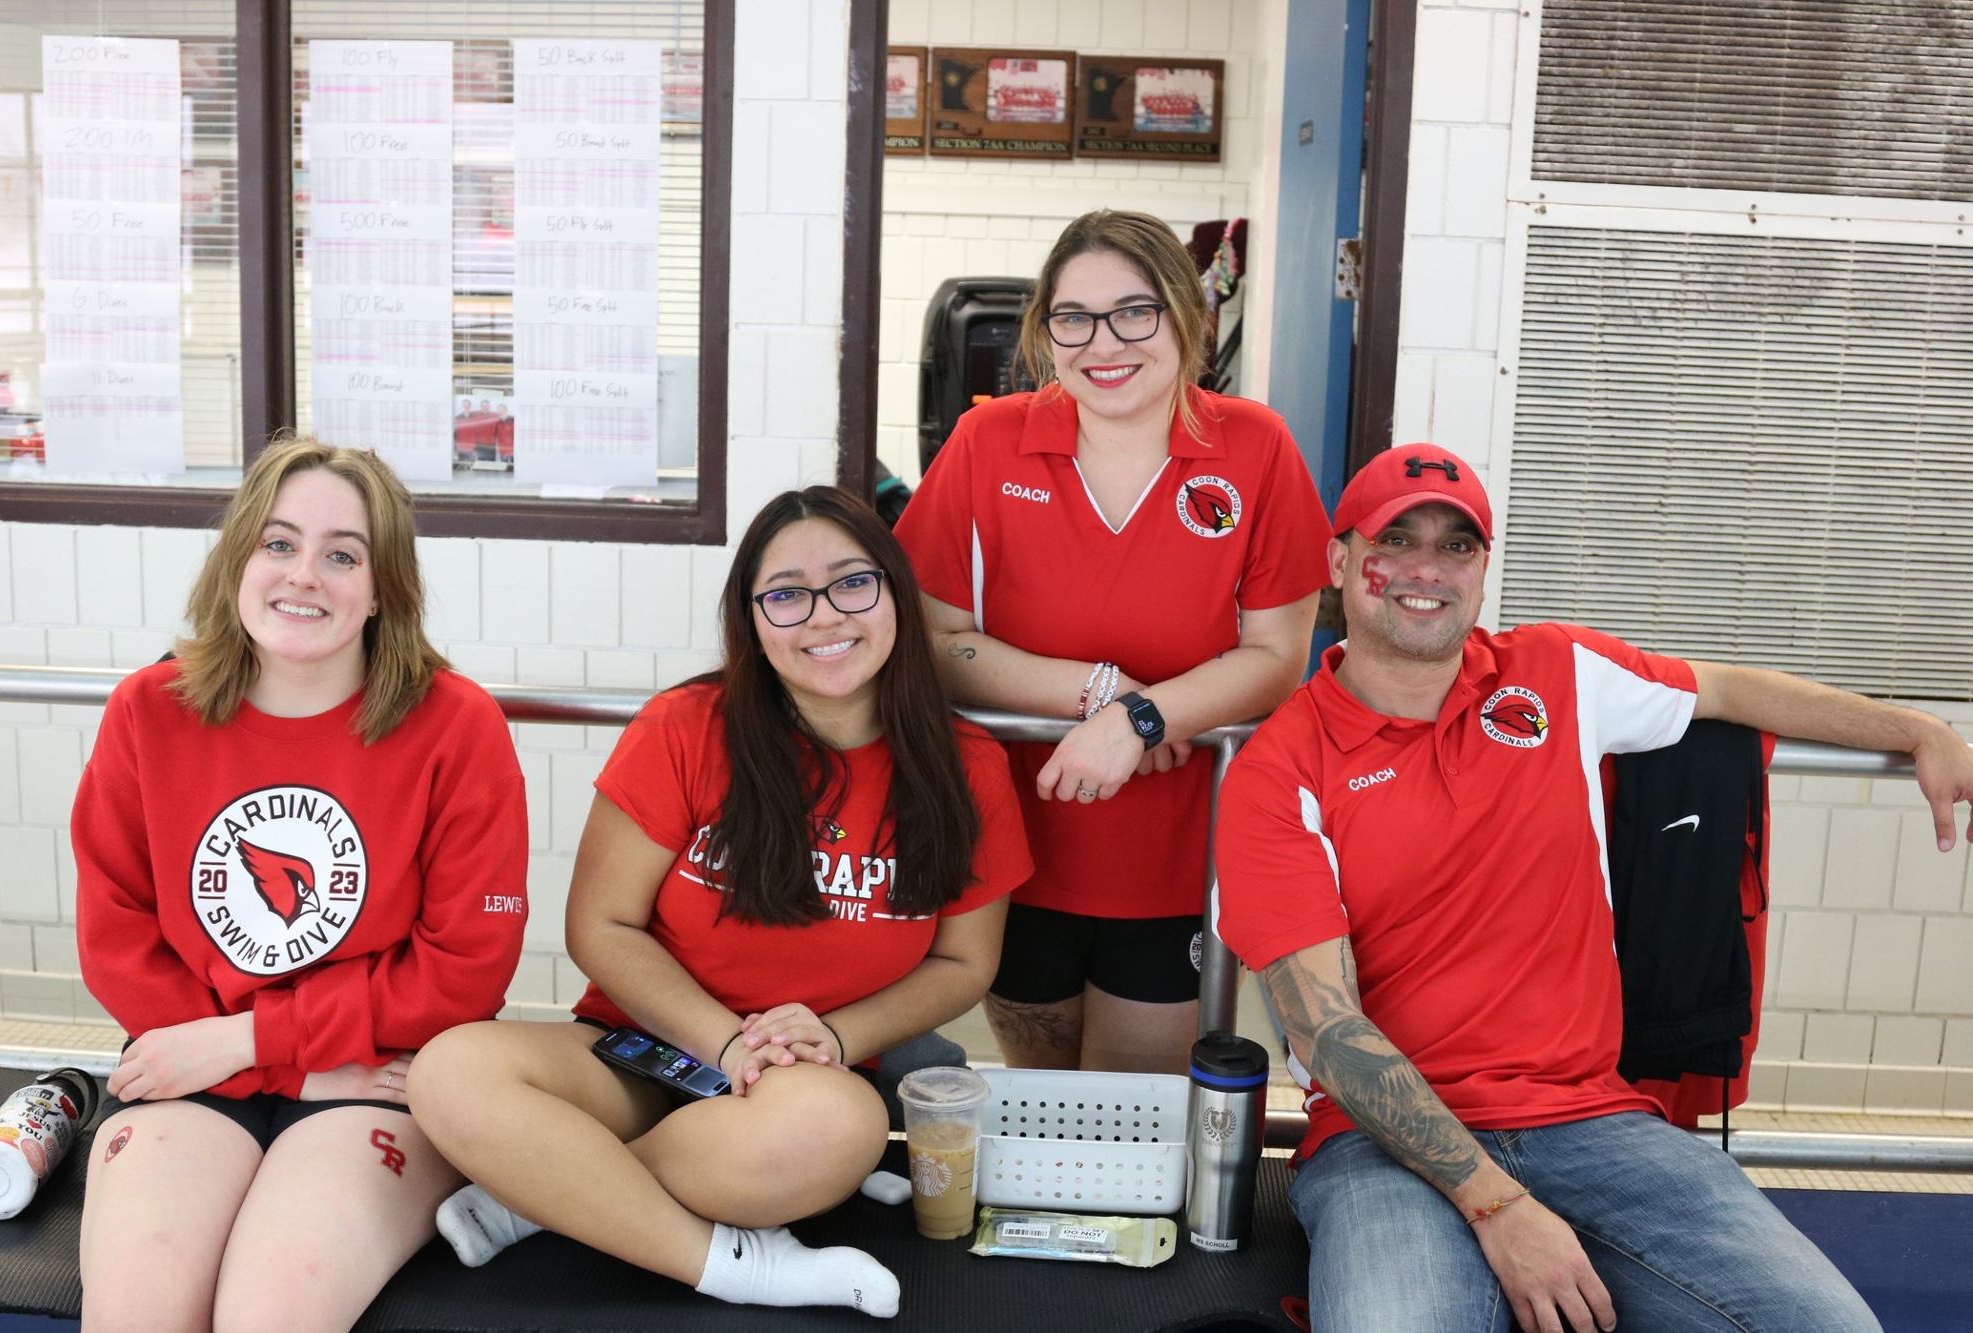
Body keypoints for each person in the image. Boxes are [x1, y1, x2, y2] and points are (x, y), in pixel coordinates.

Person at [1216, 442, 1973, 1333]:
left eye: (1457, 546)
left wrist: (1916, 727)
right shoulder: (1279, 770)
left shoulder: (1555, 672)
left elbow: (1728, 686)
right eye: (1398, 540)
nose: (1427, 569)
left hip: (1594, 1121)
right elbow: (1329, 1031)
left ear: (1484, 567)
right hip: (1384, 1144)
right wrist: (1499, 1208)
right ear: (1341, 562)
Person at [408, 486, 1032, 1319]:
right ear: (752, 618)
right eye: (786, 595)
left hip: (804, 1080)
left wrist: (837, 1035)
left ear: (895, 593)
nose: (823, 615)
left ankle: (543, 1194)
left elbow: (966, 962)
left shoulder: (969, 767)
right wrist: (725, 1042)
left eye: (852, 582)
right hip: (641, 1054)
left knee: (833, 1136)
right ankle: (733, 1261)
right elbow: (600, 924)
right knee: (452, 1071)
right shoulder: (686, 727)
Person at [72, 438, 529, 1332]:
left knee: (270, 1314)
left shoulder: (455, 727)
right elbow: (115, 935)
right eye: (278, 544)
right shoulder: (147, 711)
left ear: (383, 585)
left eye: (342, 554)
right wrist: (276, 1059)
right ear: (238, 557)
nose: (304, 575)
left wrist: (256, 1038)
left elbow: (463, 971)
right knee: (135, 1313)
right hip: (210, 1068)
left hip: (369, 1080)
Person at [895, 208, 1333, 1074]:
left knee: (1135, 1121)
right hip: (1014, 843)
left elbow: (1278, 658)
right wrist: (1098, 693)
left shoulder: (1253, 448)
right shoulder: (989, 444)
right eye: (1073, 318)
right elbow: (930, 641)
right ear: (1045, 330)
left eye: (1135, 311)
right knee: (1042, 1099)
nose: (1104, 343)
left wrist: (1142, 720)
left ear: (1186, 316)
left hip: (1177, 854)